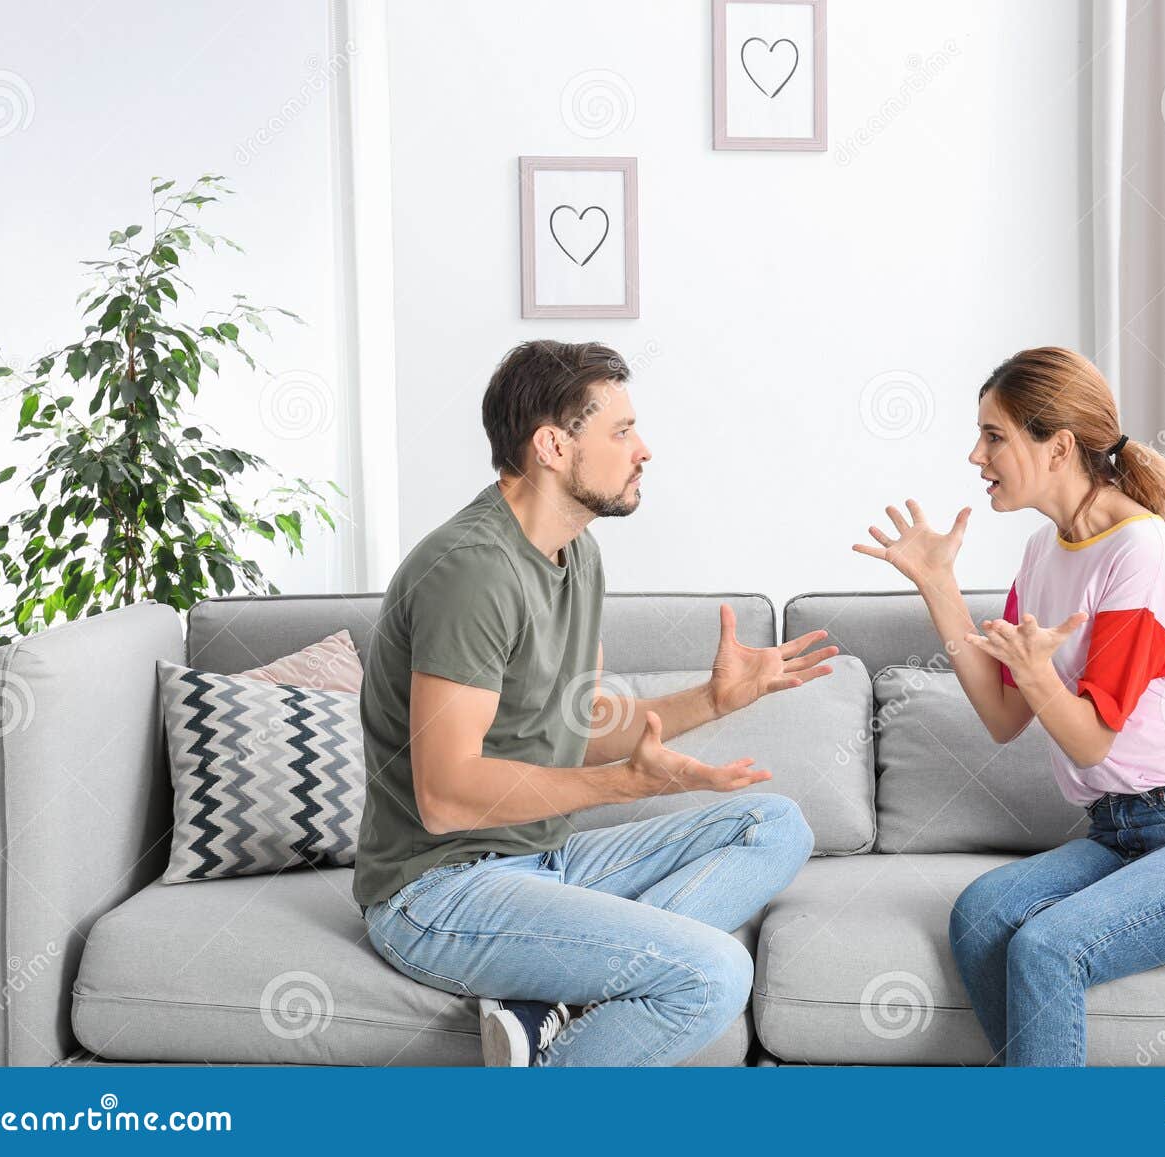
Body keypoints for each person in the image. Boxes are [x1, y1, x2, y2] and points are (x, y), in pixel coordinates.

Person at [354, 339, 830, 1066]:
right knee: (715, 971)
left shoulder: (577, 553)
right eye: (621, 430)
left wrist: (713, 698)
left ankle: (554, 990)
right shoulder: (472, 572)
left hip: (540, 859)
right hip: (440, 891)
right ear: (552, 445)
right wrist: (621, 786)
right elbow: (445, 797)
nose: (644, 449)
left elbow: (576, 726)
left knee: (777, 824)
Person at [853, 346, 1165, 1066]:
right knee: (981, 913)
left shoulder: (1138, 554)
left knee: (1048, 946)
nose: (975, 453)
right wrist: (938, 584)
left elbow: (1091, 741)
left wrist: (1043, 678)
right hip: (1120, 830)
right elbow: (1003, 716)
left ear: (1056, 446)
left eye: (994, 435)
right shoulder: (1044, 551)